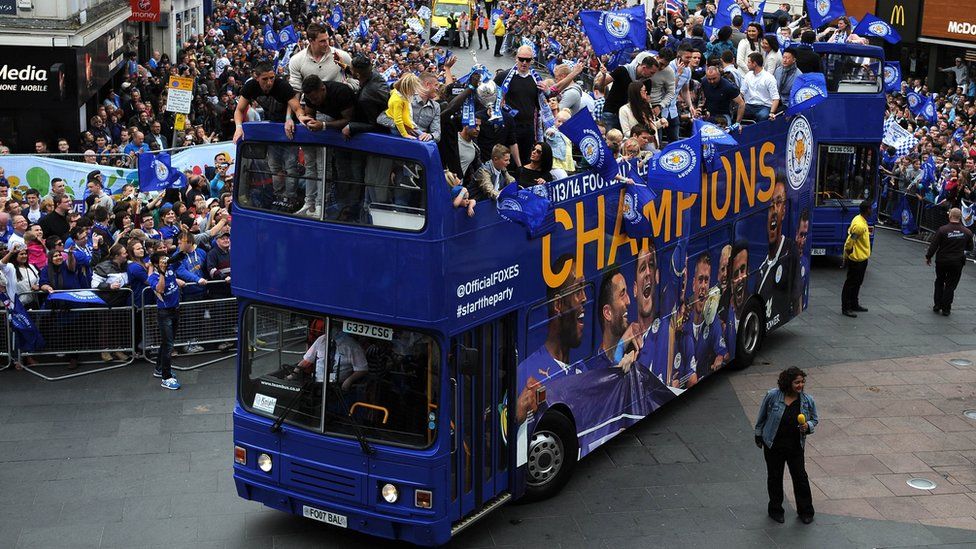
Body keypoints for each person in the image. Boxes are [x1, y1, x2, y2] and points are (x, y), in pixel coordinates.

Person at [754, 367, 818, 524]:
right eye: (797, 382)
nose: (800, 385)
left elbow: (814, 419)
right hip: (773, 445)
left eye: (802, 382)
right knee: (775, 477)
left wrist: (807, 426)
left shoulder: (807, 400)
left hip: (795, 446)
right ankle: (775, 510)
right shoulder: (773, 396)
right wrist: (758, 434)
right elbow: (762, 417)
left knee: (800, 478)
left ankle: (806, 511)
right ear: (788, 382)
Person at [148, 249, 185, 390]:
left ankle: (159, 368)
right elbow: (160, 289)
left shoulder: (170, 268)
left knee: (166, 343)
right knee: (169, 346)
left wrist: (177, 255)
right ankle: (166, 377)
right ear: (156, 264)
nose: (165, 261)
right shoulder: (153, 277)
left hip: (175, 310)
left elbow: (180, 257)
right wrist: (162, 272)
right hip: (165, 313)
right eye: (162, 260)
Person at [926, 208, 974, 316]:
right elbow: (970, 247)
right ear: (960, 217)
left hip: (942, 260)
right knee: (950, 285)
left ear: (950, 216)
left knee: (939, 281)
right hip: (957, 262)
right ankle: (946, 308)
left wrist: (928, 256)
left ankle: (937, 304)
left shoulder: (942, 230)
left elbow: (934, 245)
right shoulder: (967, 232)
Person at [842, 201, 872, 317]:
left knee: (858, 282)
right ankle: (846, 307)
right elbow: (850, 240)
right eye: (870, 208)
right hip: (856, 260)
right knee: (850, 283)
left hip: (863, 258)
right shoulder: (859, 225)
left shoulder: (860, 219)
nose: (872, 210)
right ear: (867, 210)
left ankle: (854, 303)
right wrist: (847, 252)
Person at [740, 52, 779, 122]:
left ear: (754, 64)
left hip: (765, 106)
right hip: (749, 105)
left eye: (749, 62)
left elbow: (776, 98)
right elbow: (742, 93)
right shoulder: (748, 76)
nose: (747, 64)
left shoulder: (769, 78)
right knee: (735, 111)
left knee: (762, 116)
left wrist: (772, 113)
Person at [386, 73, 422, 138]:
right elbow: (398, 120)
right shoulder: (398, 100)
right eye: (414, 89)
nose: (415, 91)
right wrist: (405, 134)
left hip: (408, 124)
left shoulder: (399, 93)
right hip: (400, 129)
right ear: (407, 87)